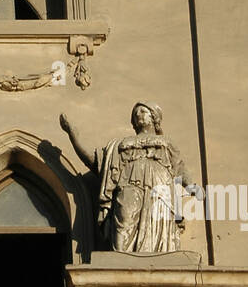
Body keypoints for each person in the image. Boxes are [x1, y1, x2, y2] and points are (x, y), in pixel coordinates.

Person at [59, 102, 195, 254]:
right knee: (124, 219)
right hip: (129, 187)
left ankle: (160, 257)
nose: (138, 115)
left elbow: (180, 168)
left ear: (154, 118)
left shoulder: (167, 143)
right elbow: (94, 160)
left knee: (158, 223)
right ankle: (121, 257)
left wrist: (192, 187)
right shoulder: (118, 145)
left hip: (160, 190)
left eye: (143, 111)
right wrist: (73, 135)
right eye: (135, 113)